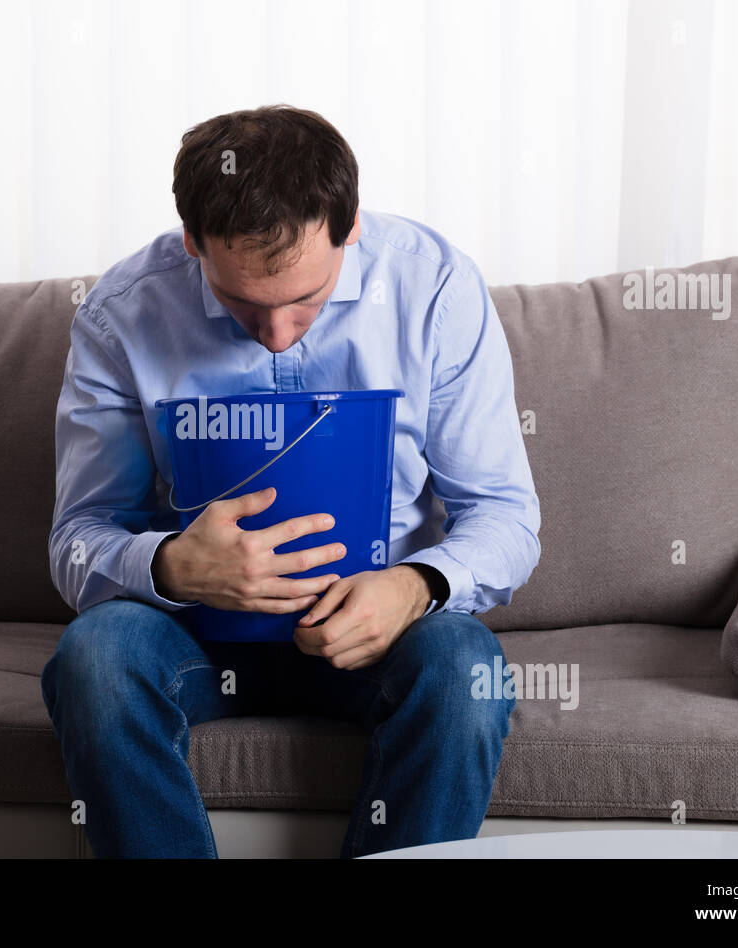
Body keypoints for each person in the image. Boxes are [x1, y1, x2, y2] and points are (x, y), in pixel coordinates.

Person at [42, 104, 540, 858]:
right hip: (192, 635)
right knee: (95, 660)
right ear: (192, 243)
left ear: (351, 228)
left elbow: (504, 514)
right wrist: (173, 564)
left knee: (467, 668)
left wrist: (413, 587)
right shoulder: (122, 314)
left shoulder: (434, 289)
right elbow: (77, 539)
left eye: (306, 299)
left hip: (380, 633)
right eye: (243, 303)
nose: (276, 331)